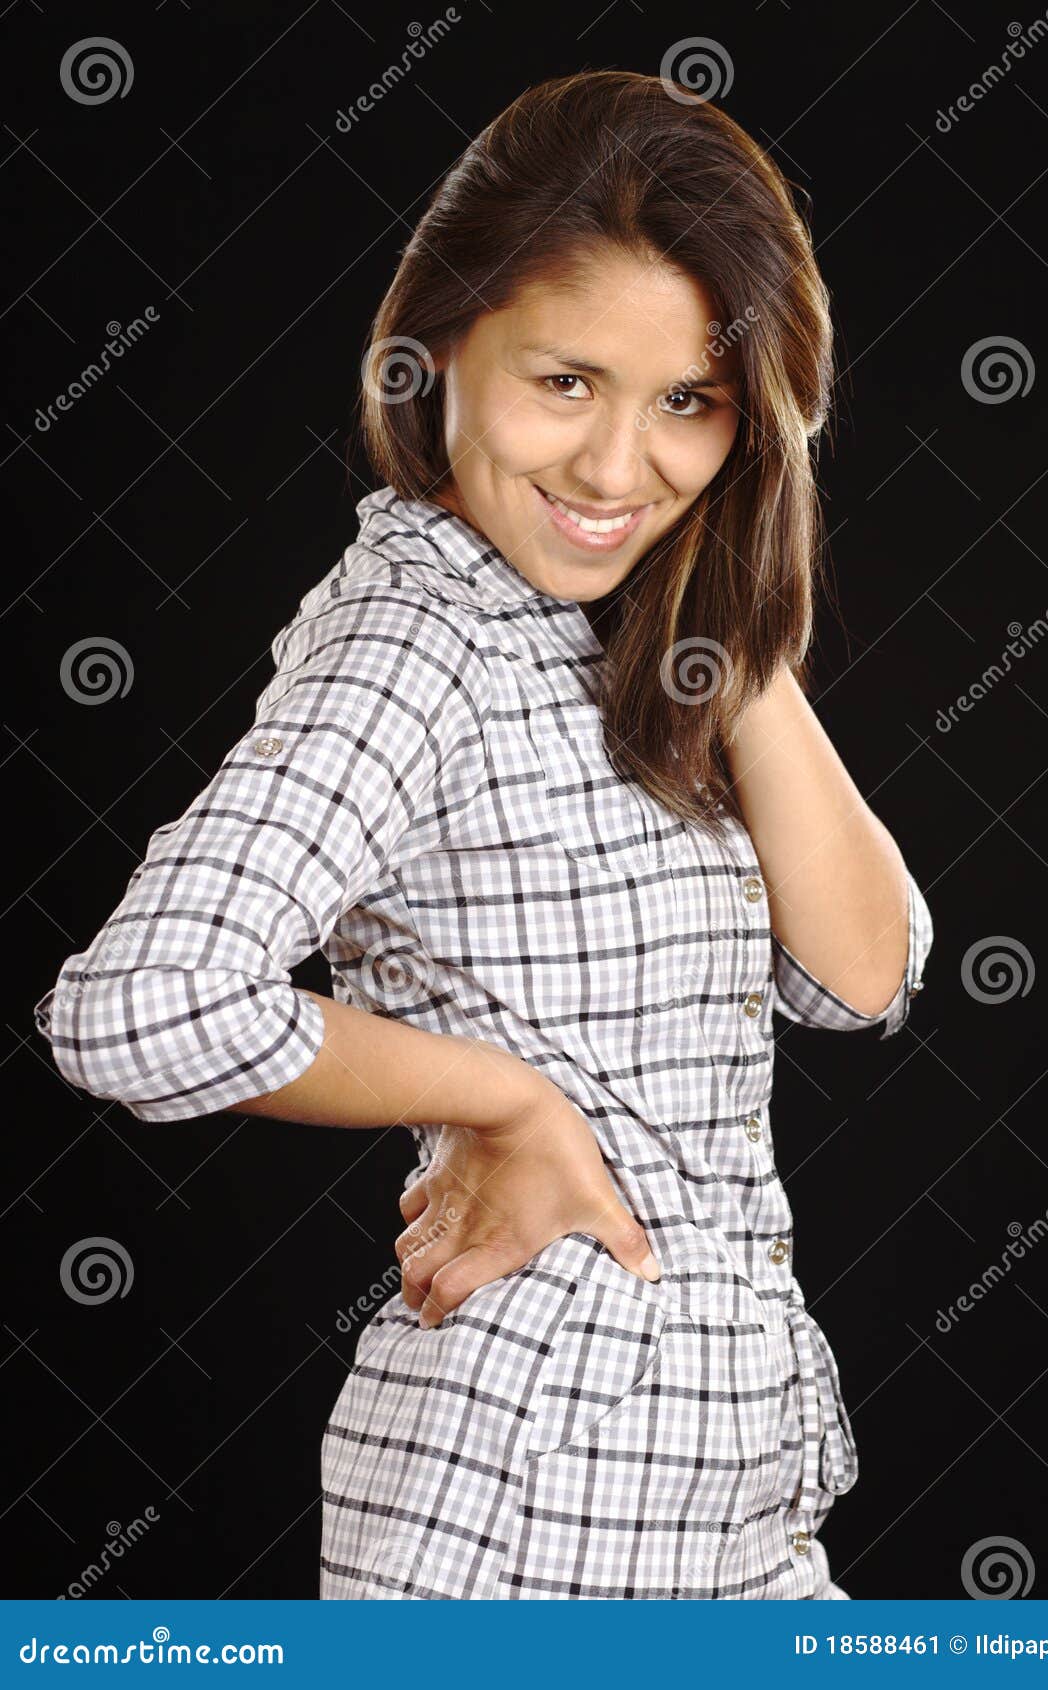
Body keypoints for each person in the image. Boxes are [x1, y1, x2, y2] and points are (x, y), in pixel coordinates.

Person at [34, 70, 933, 1600]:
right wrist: (505, 1103)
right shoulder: (417, 637)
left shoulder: (634, 632)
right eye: (564, 382)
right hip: (529, 1514)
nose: (613, 471)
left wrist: (728, 620)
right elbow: (143, 1008)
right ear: (436, 347)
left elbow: (865, 975)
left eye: (689, 406)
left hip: (734, 1506)